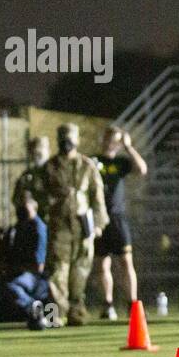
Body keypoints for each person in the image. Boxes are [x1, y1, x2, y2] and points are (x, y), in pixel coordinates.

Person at [32, 123, 109, 327]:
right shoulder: (49, 167)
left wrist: (99, 224)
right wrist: (48, 208)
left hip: (83, 226)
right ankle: (54, 314)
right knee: (57, 271)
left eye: (70, 138)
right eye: (63, 138)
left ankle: (77, 312)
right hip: (59, 226)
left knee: (80, 271)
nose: (67, 142)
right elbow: (37, 193)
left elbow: (97, 196)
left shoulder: (87, 166)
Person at [94, 126, 148, 320]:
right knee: (102, 263)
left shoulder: (121, 162)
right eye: (110, 139)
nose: (112, 144)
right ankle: (107, 304)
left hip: (118, 218)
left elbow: (142, 169)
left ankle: (132, 304)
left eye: (116, 140)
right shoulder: (94, 161)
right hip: (100, 218)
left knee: (126, 261)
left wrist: (128, 147)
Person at [0, 195, 53, 329]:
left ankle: (34, 308)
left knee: (10, 286)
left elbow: (38, 267)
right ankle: (26, 310)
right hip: (21, 274)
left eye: (25, 210)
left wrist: (12, 268)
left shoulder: (38, 229)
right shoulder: (19, 228)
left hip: (36, 278)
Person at [11, 136, 50, 211]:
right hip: (33, 217)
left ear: (48, 151)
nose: (37, 157)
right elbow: (16, 200)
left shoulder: (56, 173)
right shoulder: (27, 176)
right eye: (34, 154)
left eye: (40, 153)